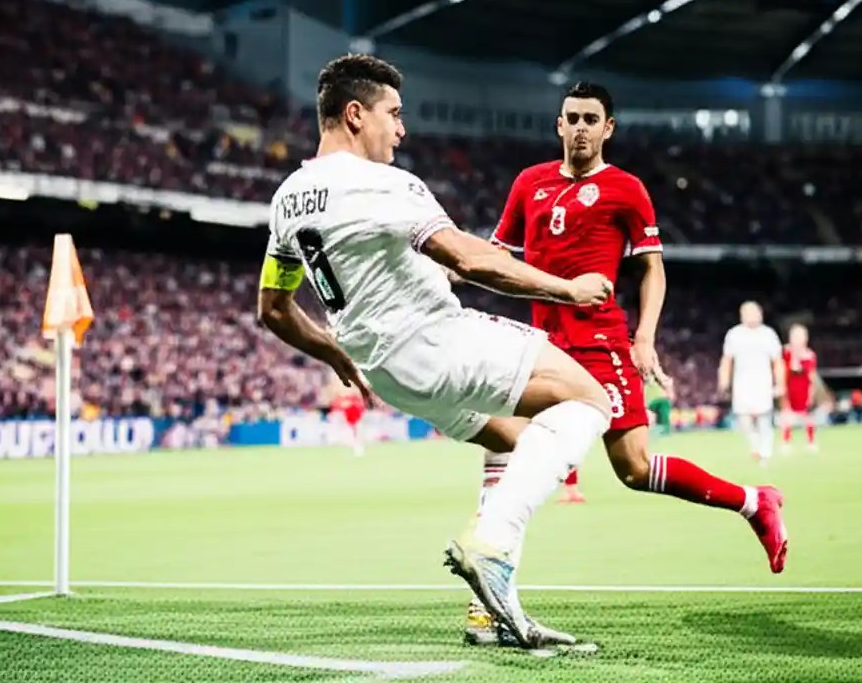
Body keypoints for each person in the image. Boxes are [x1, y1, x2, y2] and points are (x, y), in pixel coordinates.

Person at [256, 54, 616, 649]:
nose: (401, 129)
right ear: (354, 115)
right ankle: (492, 545)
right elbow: (471, 260)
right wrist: (567, 289)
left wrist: (334, 355)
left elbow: (273, 308)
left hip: (386, 370)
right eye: (393, 114)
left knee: (513, 439)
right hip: (435, 342)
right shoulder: (384, 183)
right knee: (588, 398)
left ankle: (487, 613)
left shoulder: (287, 199)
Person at [462, 84, 789, 647]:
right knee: (503, 438)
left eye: (592, 119)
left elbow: (652, 269)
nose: (581, 128)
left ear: (608, 127)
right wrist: (450, 266)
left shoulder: (626, 190)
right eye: (572, 119)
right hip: (542, 344)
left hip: (600, 347)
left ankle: (753, 502)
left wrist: (644, 337)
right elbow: (498, 254)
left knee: (634, 469)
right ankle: (484, 603)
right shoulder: (528, 184)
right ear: (558, 126)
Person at [718, 301, 786, 464]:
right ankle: (755, 446)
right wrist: (724, 380)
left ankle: (765, 452)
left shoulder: (768, 334)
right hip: (742, 383)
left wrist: (781, 383)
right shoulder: (734, 334)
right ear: (742, 315)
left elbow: (777, 361)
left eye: (755, 312)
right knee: (744, 419)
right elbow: (727, 360)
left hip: (763, 382)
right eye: (748, 313)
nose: (752, 316)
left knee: (764, 418)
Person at [780, 323, 820, 452]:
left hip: (803, 388)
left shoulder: (810, 355)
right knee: (787, 416)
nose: (797, 339)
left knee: (807, 417)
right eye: (794, 336)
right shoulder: (785, 352)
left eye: (800, 336)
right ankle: (786, 442)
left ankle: (811, 442)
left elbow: (812, 376)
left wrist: (811, 393)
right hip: (789, 388)